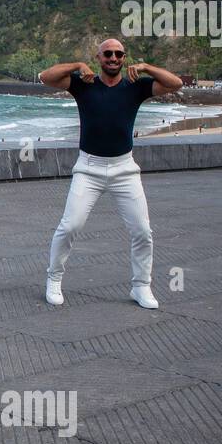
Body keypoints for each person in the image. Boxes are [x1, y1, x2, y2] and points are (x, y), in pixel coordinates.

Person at [39, 40, 183, 310]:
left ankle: (141, 286)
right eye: (108, 54)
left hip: (124, 169)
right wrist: (78, 66)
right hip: (88, 168)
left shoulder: (136, 86)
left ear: (124, 57)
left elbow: (175, 84)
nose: (113, 58)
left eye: (118, 54)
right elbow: (46, 77)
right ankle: (54, 278)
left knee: (142, 230)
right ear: (99, 57)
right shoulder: (84, 83)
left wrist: (146, 67)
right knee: (70, 226)